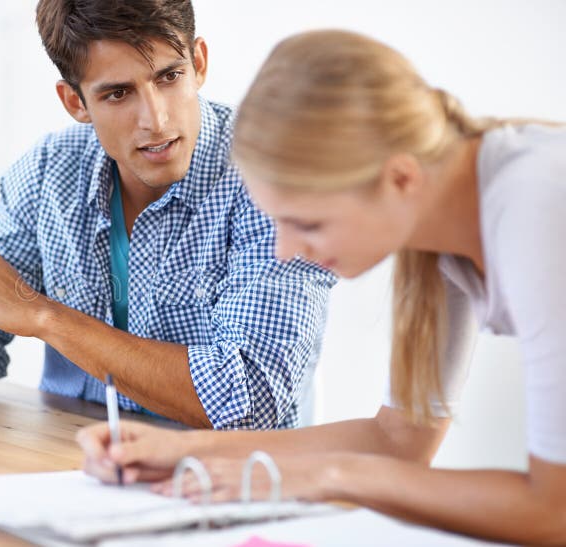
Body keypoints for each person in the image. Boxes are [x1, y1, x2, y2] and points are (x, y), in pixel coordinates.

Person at [77, 29, 566, 544]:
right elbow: (396, 442)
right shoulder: (442, 223)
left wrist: (331, 476)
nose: (285, 250)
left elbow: (554, 511)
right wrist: (179, 452)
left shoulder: (537, 206)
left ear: (399, 179)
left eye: (306, 223)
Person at [0, 0, 335, 429]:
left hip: (218, 486)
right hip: (70, 471)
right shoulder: (49, 173)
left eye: (169, 76)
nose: (156, 120)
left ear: (198, 63)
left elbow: (253, 398)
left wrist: (44, 316)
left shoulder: (273, 178)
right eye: (119, 93)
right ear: (75, 102)